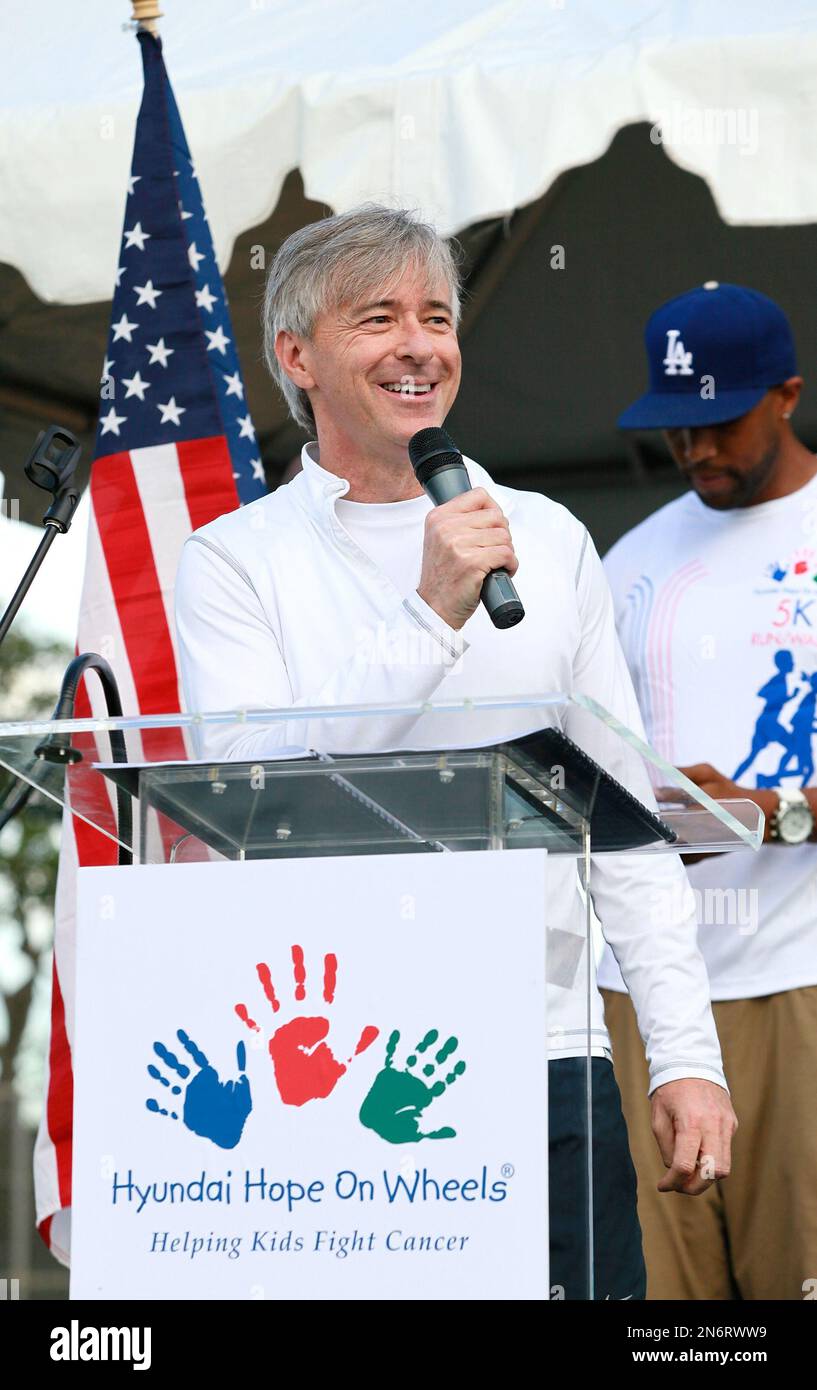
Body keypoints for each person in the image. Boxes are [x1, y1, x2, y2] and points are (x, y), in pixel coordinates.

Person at [174, 206, 737, 1299]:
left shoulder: (549, 536)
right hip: (328, 1069)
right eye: (377, 317)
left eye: (436, 316)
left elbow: (621, 825)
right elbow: (259, 798)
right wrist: (428, 616)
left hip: (543, 1049)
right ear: (297, 356)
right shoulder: (234, 561)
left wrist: (684, 1055)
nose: (419, 344)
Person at [599, 281, 817, 1300]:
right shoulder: (628, 562)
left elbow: (768, 803)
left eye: (717, 422)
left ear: (786, 393)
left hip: (797, 973)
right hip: (643, 983)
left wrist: (771, 810)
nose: (693, 452)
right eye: (674, 429)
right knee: (659, 1307)